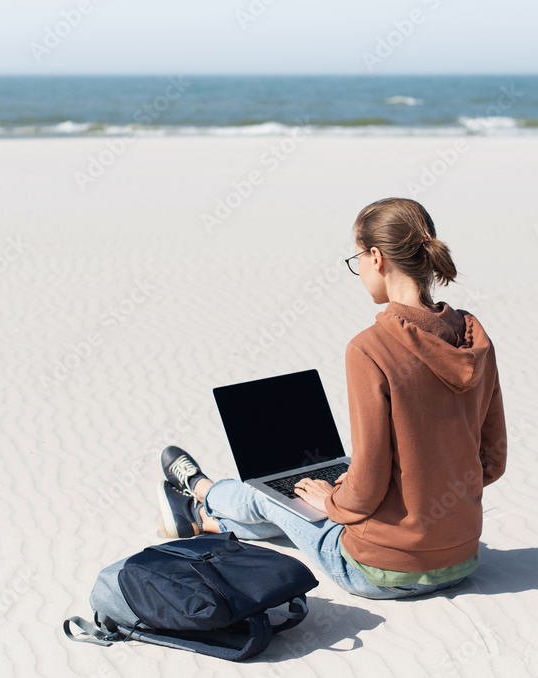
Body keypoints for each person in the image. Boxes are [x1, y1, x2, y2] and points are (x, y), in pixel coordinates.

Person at [156, 197, 507, 600]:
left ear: (376, 257)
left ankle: (201, 492)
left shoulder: (371, 348)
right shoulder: (473, 340)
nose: (358, 268)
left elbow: (368, 485)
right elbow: (492, 461)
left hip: (380, 573)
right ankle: (208, 522)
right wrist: (427, 489)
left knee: (276, 495)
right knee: (307, 496)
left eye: (356, 256)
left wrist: (335, 500)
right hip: (462, 560)